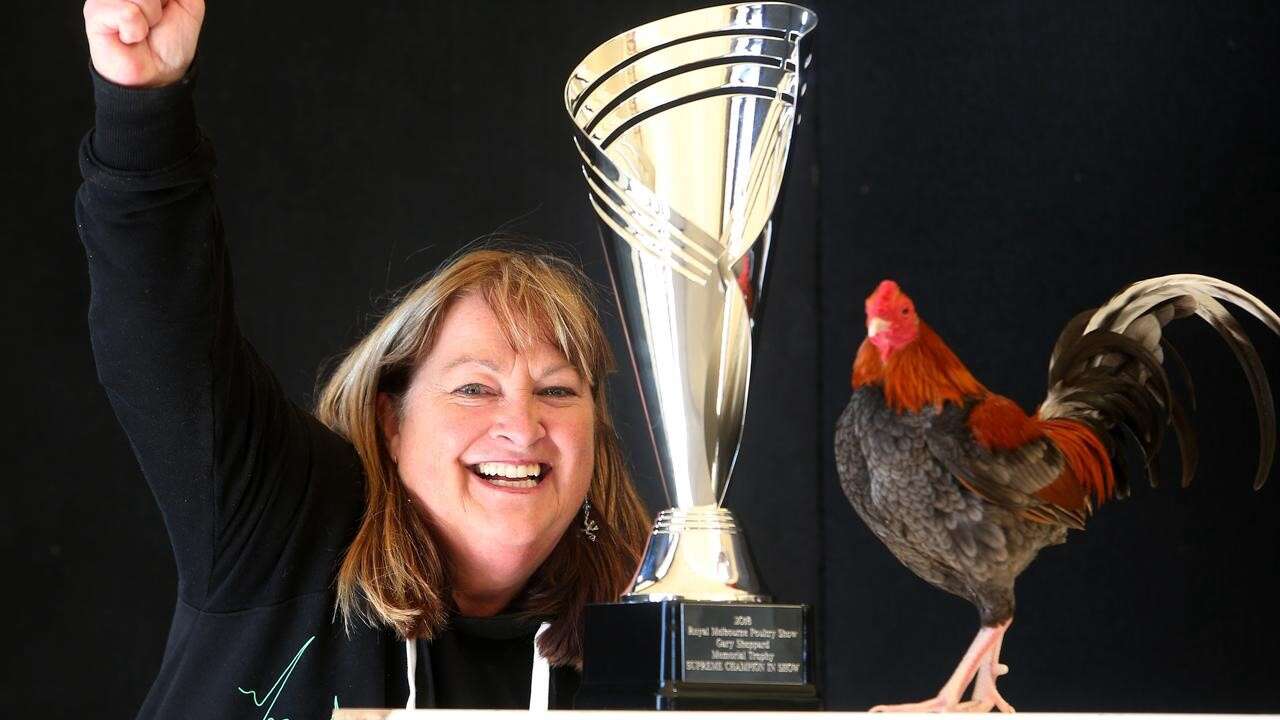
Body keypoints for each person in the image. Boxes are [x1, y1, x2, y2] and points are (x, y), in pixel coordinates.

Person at [77, 0, 651, 715]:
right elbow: (165, 342)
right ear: (390, 420)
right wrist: (143, 107)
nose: (522, 425)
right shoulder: (288, 524)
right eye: (475, 388)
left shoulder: (640, 639)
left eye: (558, 391)